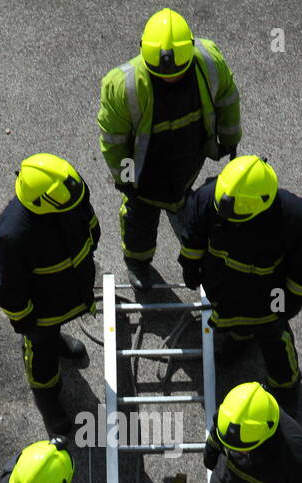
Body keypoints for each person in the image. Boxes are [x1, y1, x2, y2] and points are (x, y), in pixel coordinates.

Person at [98, 7, 241, 288]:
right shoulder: (123, 86)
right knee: (140, 221)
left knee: (185, 201)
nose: (170, 78)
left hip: (189, 158)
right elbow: (113, 140)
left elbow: (227, 97)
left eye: (177, 72)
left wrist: (230, 137)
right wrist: (124, 178)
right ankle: (138, 262)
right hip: (146, 172)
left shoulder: (209, 62)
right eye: (162, 74)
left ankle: (181, 216)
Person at [177, 156, 302, 414]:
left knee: (275, 342)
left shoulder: (293, 217)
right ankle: (240, 339)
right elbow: (193, 236)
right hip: (223, 288)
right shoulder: (209, 197)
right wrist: (190, 268)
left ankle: (285, 388)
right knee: (231, 320)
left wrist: (287, 305)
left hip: (266, 298)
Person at [0, 154, 99, 433]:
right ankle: (47, 397)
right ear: (39, 203)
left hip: (68, 295)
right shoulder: (13, 235)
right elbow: (7, 285)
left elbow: (88, 219)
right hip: (42, 311)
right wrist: (25, 321)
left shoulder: (67, 198)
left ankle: (57, 339)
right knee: (41, 353)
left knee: (53, 335)